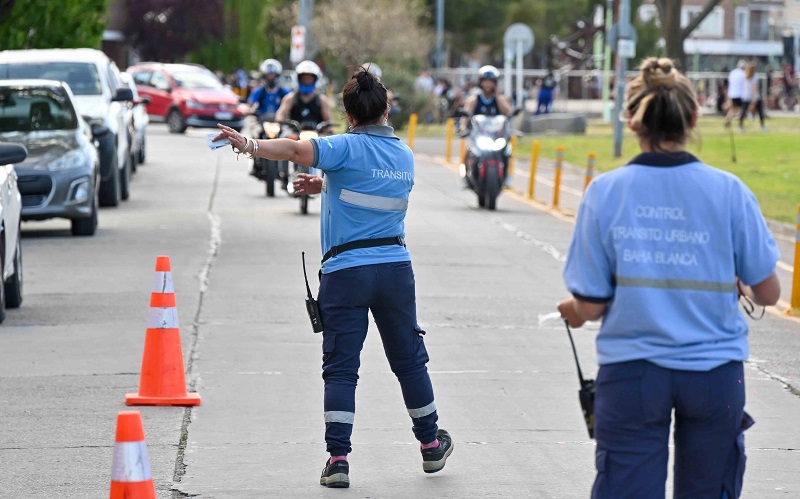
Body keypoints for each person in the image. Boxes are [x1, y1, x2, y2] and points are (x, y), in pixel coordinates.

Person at [213, 67, 453, 489]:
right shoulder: (404, 155)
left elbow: (291, 149)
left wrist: (248, 143)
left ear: (347, 112)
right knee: (409, 361)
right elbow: (373, 192)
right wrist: (326, 186)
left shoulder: (343, 148)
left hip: (345, 272)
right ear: (386, 109)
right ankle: (431, 445)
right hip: (395, 269)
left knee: (341, 370)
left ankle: (338, 459)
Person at [556, 57, 781, 499]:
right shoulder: (730, 191)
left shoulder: (605, 192)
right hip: (716, 377)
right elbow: (769, 292)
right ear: (694, 118)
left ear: (632, 121)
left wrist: (575, 313)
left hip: (633, 375)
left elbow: (593, 303)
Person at [275, 60, 332, 125]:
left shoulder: (322, 100)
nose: (306, 81)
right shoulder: (290, 98)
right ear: (298, 80)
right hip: (294, 133)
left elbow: (328, 121)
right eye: (304, 79)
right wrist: (280, 122)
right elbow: (280, 115)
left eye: (309, 79)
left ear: (315, 80)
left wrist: (329, 129)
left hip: (317, 133)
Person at [740, 62, 766, 131]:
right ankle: (762, 126)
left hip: (745, 96)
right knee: (760, 111)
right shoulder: (754, 77)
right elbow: (753, 88)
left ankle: (740, 126)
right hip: (753, 96)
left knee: (743, 111)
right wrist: (754, 99)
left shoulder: (745, 76)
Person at [726, 60, 747, 127]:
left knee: (733, 108)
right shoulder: (743, 74)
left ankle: (727, 119)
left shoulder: (732, 73)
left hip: (732, 93)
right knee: (741, 109)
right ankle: (740, 123)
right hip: (739, 94)